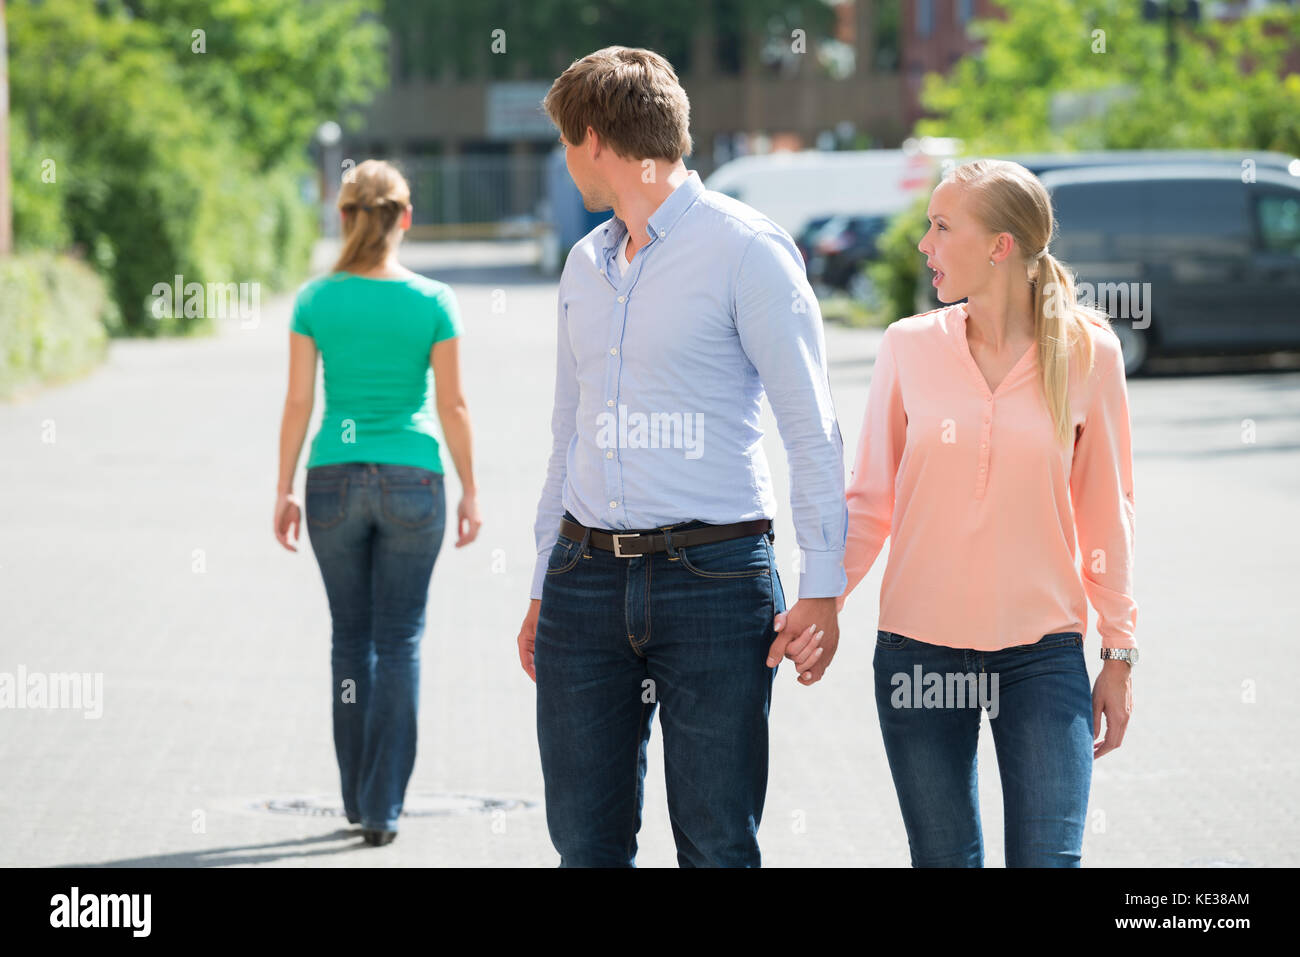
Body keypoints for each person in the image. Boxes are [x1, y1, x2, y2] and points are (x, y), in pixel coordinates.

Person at [515, 46, 846, 868]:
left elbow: (813, 429)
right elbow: (567, 435)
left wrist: (824, 586)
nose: (565, 158)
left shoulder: (747, 250)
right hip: (583, 584)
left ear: (594, 139)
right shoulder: (584, 266)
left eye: (564, 141)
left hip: (716, 584)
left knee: (716, 846)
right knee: (585, 849)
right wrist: (539, 588)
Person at [833, 158, 1137, 866]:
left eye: (942, 226)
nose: (924, 243)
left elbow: (1107, 509)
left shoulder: (1091, 352)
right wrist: (822, 600)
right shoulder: (908, 347)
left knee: (1049, 858)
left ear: (1000, 245)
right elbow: (870, 498)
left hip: (1043, 652)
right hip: (919, 648)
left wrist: (1119, 651)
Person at [273, 159, 481, 847]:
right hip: (413, 479)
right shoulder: (432, 301)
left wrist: (282, 488)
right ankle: (383, 806)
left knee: (348, 640)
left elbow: (299, 401)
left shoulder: (314, 300)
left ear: (344, 216)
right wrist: (472, 489)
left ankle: (355, 794)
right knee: (400, 641)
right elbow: (451, 403)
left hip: (332, 478)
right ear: (406, 218)